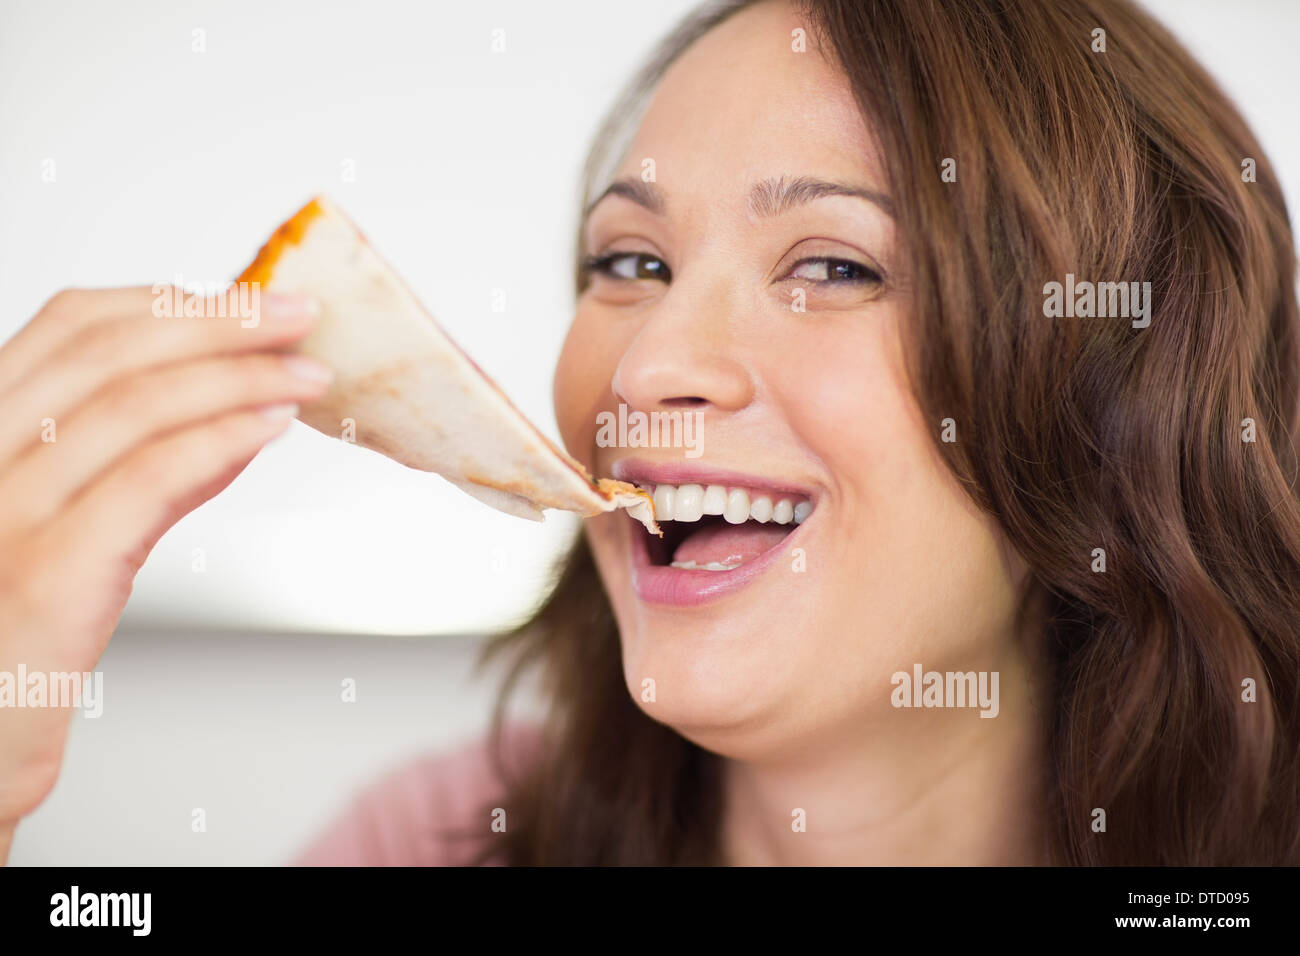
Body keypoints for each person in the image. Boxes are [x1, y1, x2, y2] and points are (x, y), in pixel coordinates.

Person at [3, 0, 1298, 866]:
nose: (653, 360)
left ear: (1117, 393)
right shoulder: (439, 839)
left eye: (836, 267)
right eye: (629, 260)